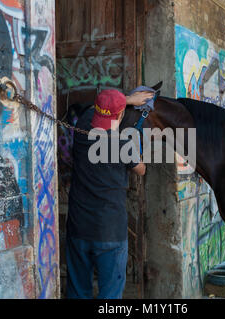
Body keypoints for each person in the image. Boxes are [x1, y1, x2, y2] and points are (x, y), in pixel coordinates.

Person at [66, 89, 154, 299]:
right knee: (110, 296)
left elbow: (90, 109)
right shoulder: (124, 145)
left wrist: (126, 100)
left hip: (79, 227)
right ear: (121, 114)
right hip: (110, 231)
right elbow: (141, 169)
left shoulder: (81, 128)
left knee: (78, 292)